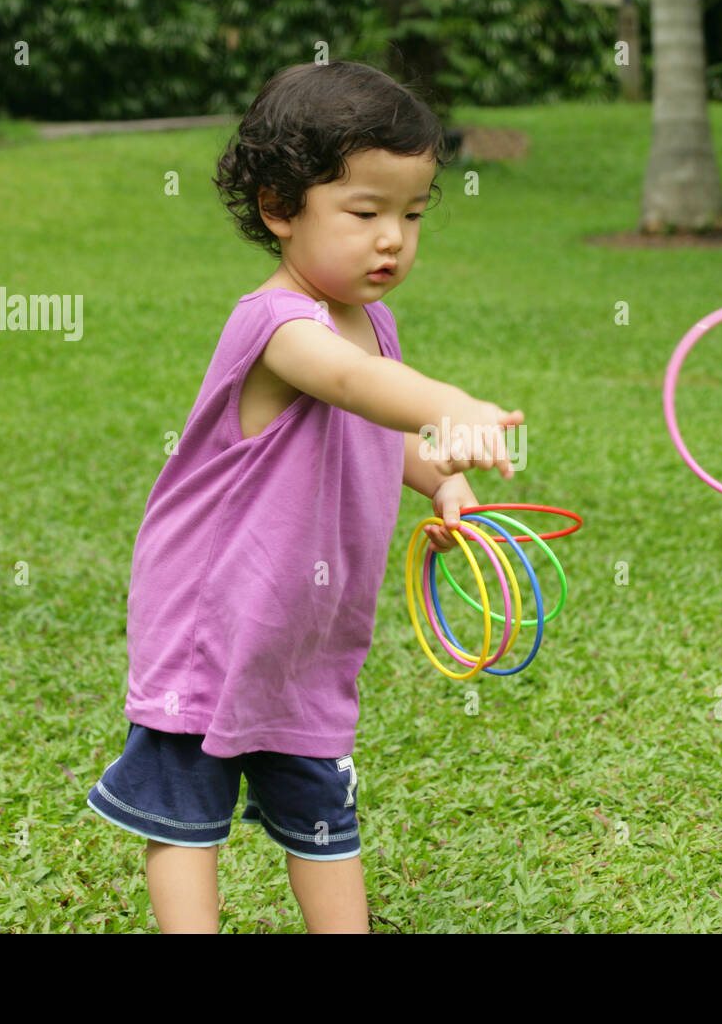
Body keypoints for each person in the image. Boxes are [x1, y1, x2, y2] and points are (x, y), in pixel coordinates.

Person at [85, 60, 523, 934]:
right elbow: (354, 386)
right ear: (280, 207)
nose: (392, 238)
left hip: (305, 630)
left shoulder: (374, 321)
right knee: (186, 803)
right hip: (214, 614)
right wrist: (456, 408)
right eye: (364, 213)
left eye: (411, 214)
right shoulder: (276, 324)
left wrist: (447, 480)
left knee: (321, 799)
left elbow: (384, 427)